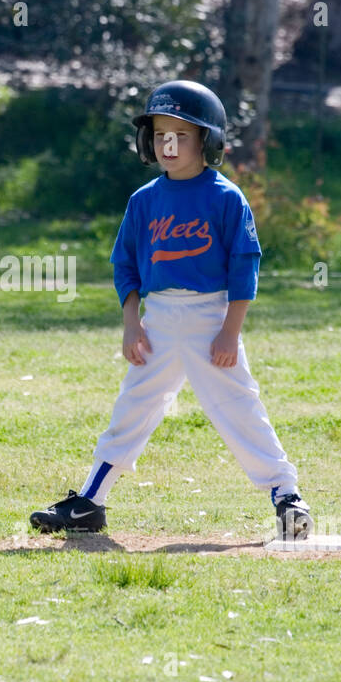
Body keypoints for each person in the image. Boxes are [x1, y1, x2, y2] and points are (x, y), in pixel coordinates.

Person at [28, 80, 312, 541]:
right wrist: (130, 323)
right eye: (160, 134)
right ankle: (90, 502)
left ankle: (286, 496)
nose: (168, 144)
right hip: (158, 320)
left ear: (208, 141)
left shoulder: (226, 198)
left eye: (181, 134)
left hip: (210, 318)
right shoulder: (143, 201)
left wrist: (229, 332)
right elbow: (125, 265)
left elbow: (245, 268)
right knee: (134, 406)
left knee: (238, 406)